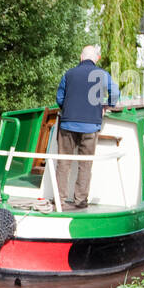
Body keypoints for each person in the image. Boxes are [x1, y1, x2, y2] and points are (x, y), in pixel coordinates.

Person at [55, 45, 120, 209]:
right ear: (96, 58)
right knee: (85, 164)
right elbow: (115, 92)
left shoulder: (69, 74)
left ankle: (59, 200)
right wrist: (108, 105)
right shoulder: (102, 75)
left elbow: (59, 98)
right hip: (91, 125)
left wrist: (69, 108)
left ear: (80, 57)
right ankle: (81, 201)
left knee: (63, 163)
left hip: (68, 124)